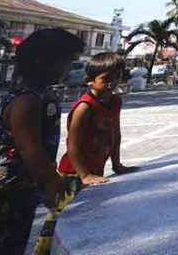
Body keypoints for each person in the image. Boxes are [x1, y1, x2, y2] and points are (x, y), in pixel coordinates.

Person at [0, 28, 84, 254]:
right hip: (4, 192)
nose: (68, 68)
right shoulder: (27, 101)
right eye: (66, 62)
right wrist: (52, 179)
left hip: (21, 191)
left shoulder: (40, 96)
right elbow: (28, 147)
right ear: (42, 62)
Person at [58, 52, 139, 185]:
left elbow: (115, 134)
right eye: (106, 79)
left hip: (95, 170)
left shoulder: (115, 101)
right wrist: (84, 175)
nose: (112, 83)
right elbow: (72, 144)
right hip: (74, 172)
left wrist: (117, 165)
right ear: (89, 80)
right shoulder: (85, 107)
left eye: (117, 77)